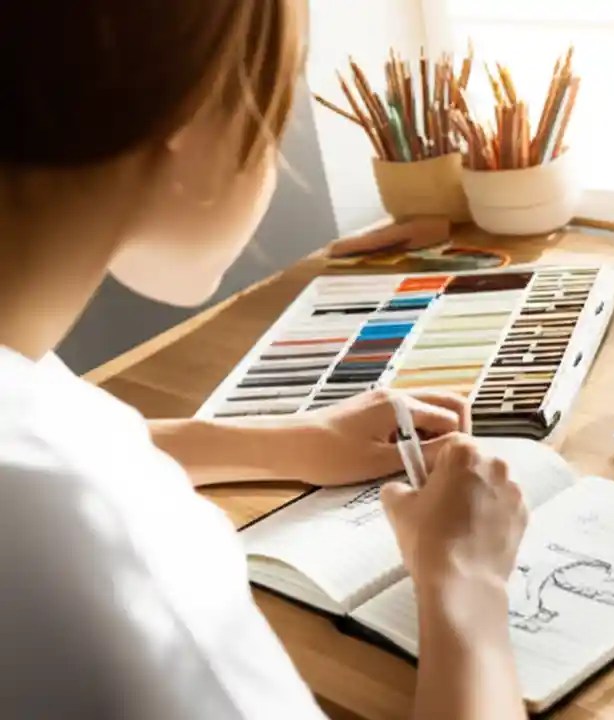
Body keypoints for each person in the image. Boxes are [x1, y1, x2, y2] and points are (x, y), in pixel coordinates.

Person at [0, 2, 527, 718]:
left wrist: (285, 440)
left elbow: (66, 430)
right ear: (192, 111)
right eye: (279, 106)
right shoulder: (92, 540)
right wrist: (469, 589)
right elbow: (63, 477)